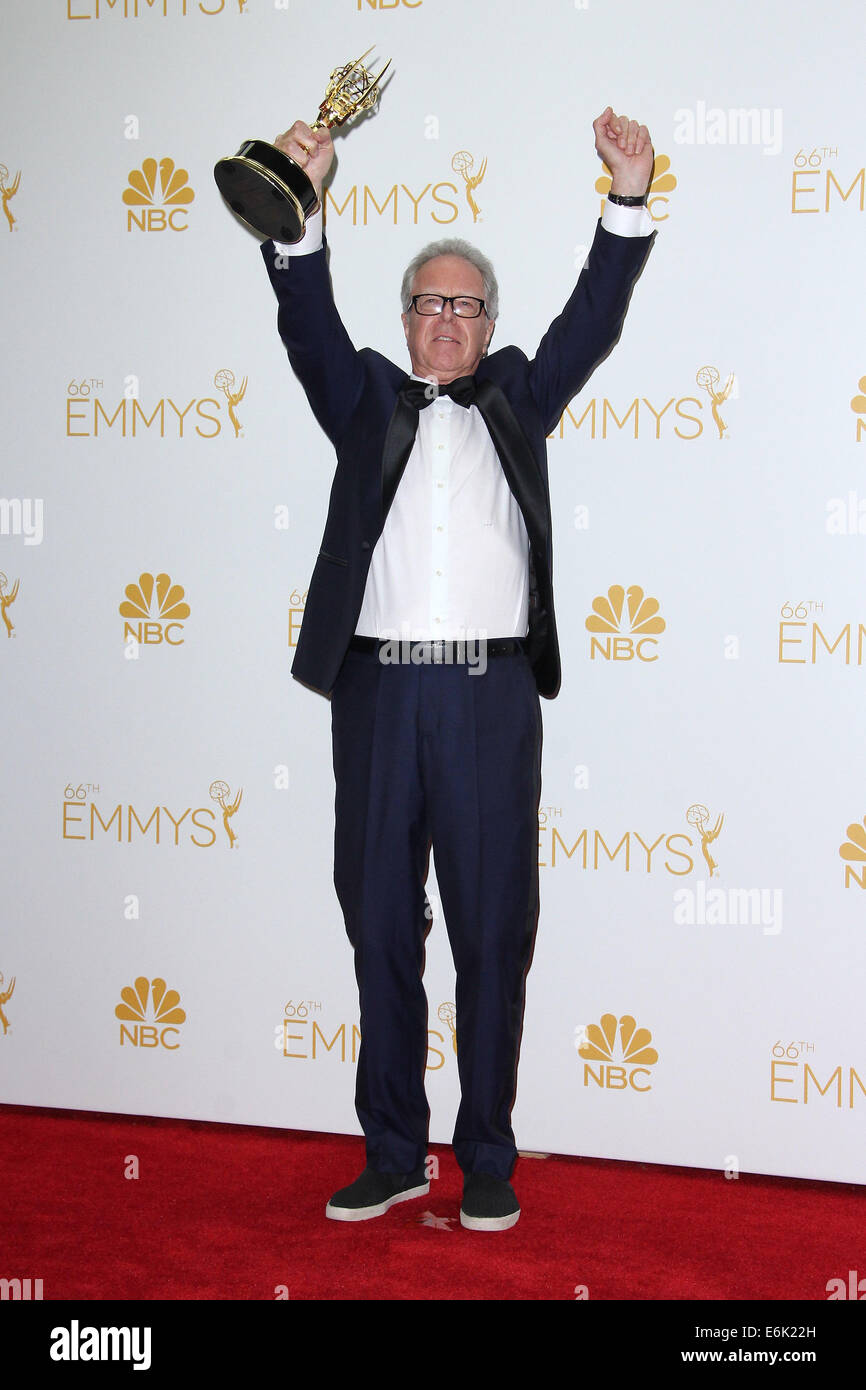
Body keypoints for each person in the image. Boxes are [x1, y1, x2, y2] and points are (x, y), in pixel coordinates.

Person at [262, 108, 656, 1230]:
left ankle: (485, 1149)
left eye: (465, 304)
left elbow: (595, 315)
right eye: (429, 301)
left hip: (488, 703)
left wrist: (623, 197)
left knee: (491, 929)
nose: (445, 319)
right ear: (407, 318)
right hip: (379, 696)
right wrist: (301, 208)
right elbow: (305, 321)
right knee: (379, 924)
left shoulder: (520, 399)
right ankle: (392, 1149)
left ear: (488, 325)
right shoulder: (362, 400)